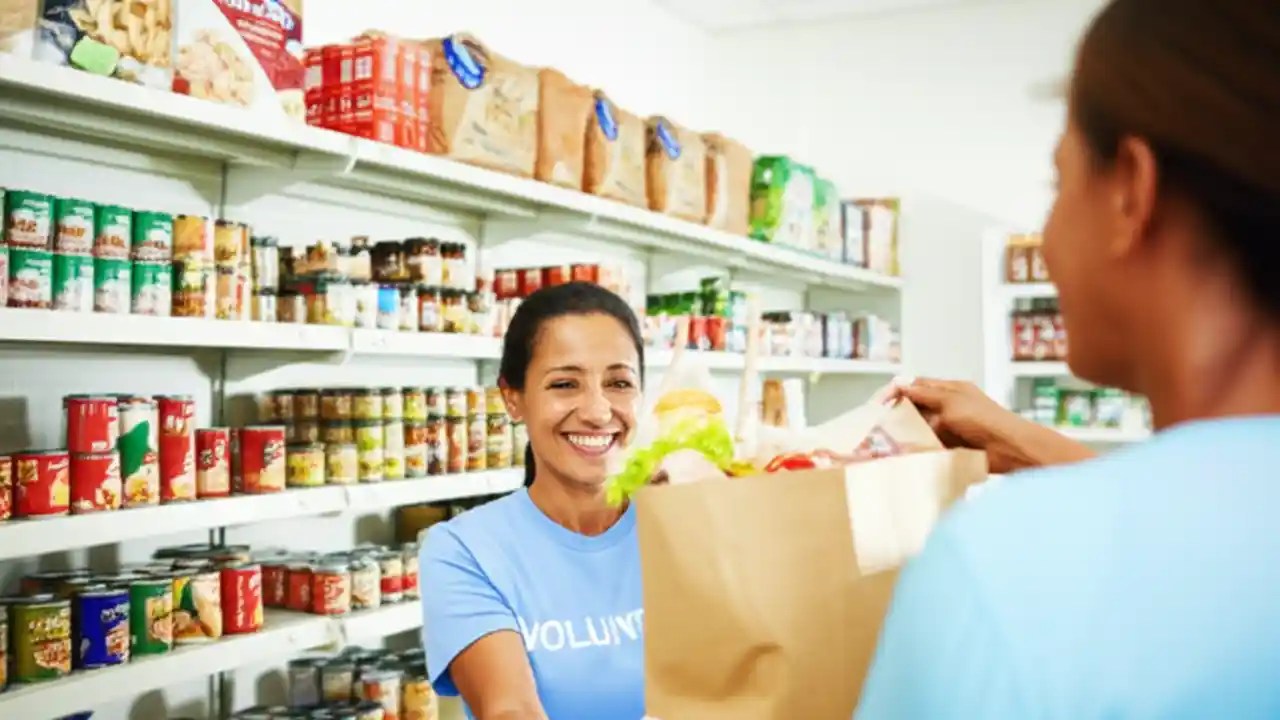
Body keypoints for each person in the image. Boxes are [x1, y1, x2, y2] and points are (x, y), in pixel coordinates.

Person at [858, 0, 1280, 716]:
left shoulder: (1007, 568)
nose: (1047, 237)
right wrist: (1023, 442)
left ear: (1131, 194)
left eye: (1058, 184)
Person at [419, 282, 646, 720]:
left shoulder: (684, 529)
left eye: (619, 382)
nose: (599, 411)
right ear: (513, 398)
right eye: (565, 384)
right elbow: (510, 712)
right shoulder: (465, 550)